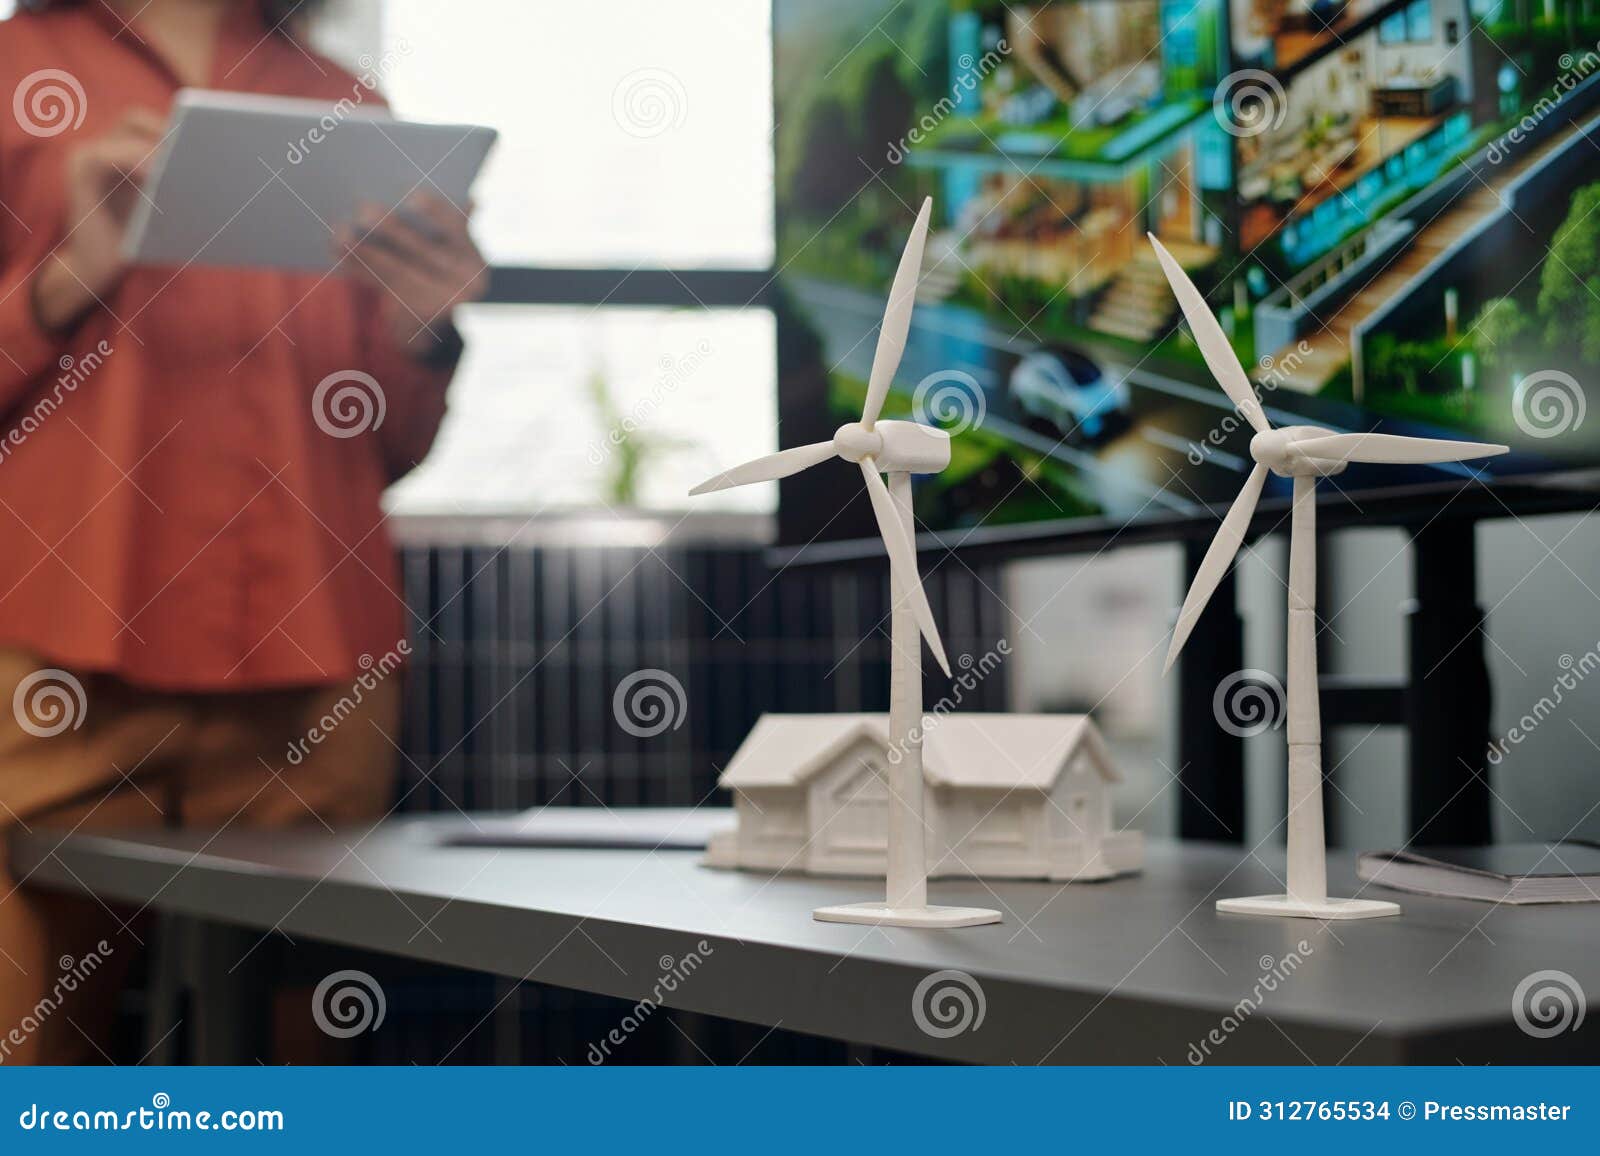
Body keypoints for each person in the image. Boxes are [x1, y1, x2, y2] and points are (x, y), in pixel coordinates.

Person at [0, 0, 487, 1062]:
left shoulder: (347, 110)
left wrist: (426, 326)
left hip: (313, 667)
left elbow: (390, 443)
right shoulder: (12, 72)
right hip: (52, 654)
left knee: (300, 1077)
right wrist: (67, 274)